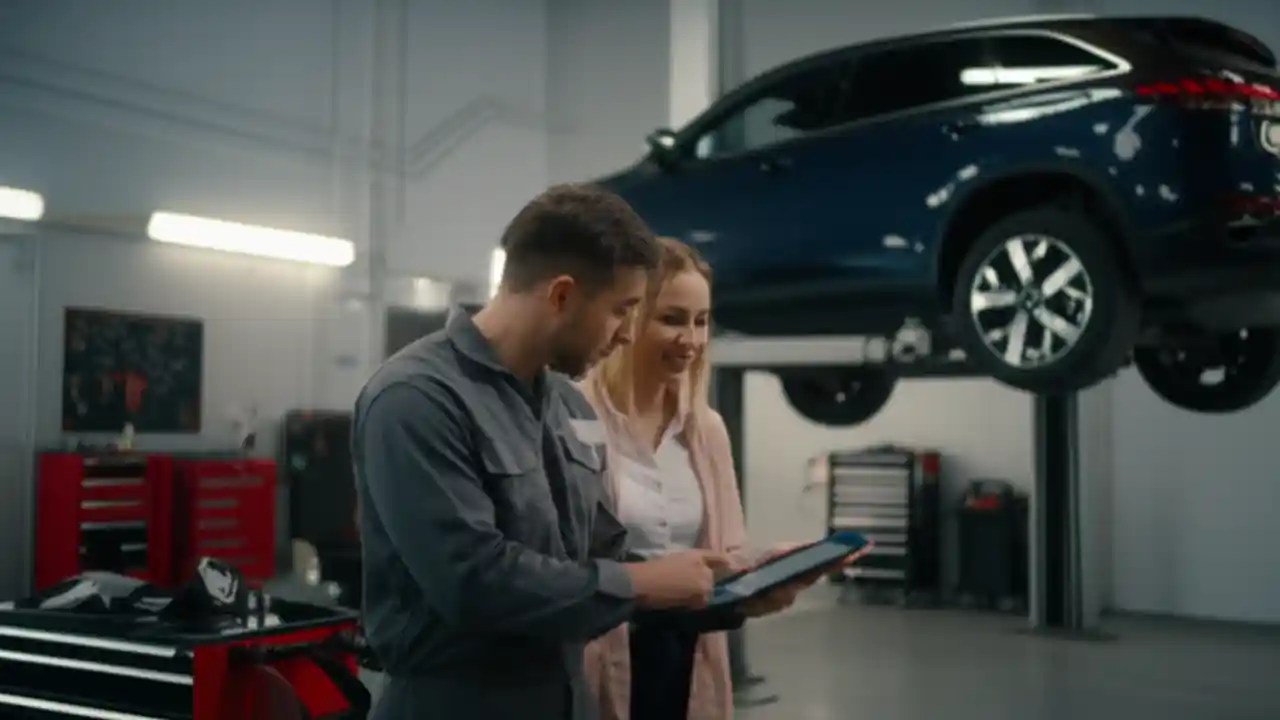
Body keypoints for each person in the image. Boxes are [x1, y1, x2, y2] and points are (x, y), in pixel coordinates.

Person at [352, 185, 732, 720]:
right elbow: (474, 581)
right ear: (561, 296)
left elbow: (601, 553)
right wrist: (640, 584)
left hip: (565, 697)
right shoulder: (416, 399)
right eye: (622, 310)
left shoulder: (567, 406)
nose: (628, 335)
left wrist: (719, 587)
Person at [581, 237, 862, 720]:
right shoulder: (575, 419)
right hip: (600, 660)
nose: (691, 340)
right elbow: (559, 571)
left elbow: (724, 557)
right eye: (672, 319)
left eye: (701, 320)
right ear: (628, 318)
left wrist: (766, 571)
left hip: (686, 661)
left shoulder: (705, 430)